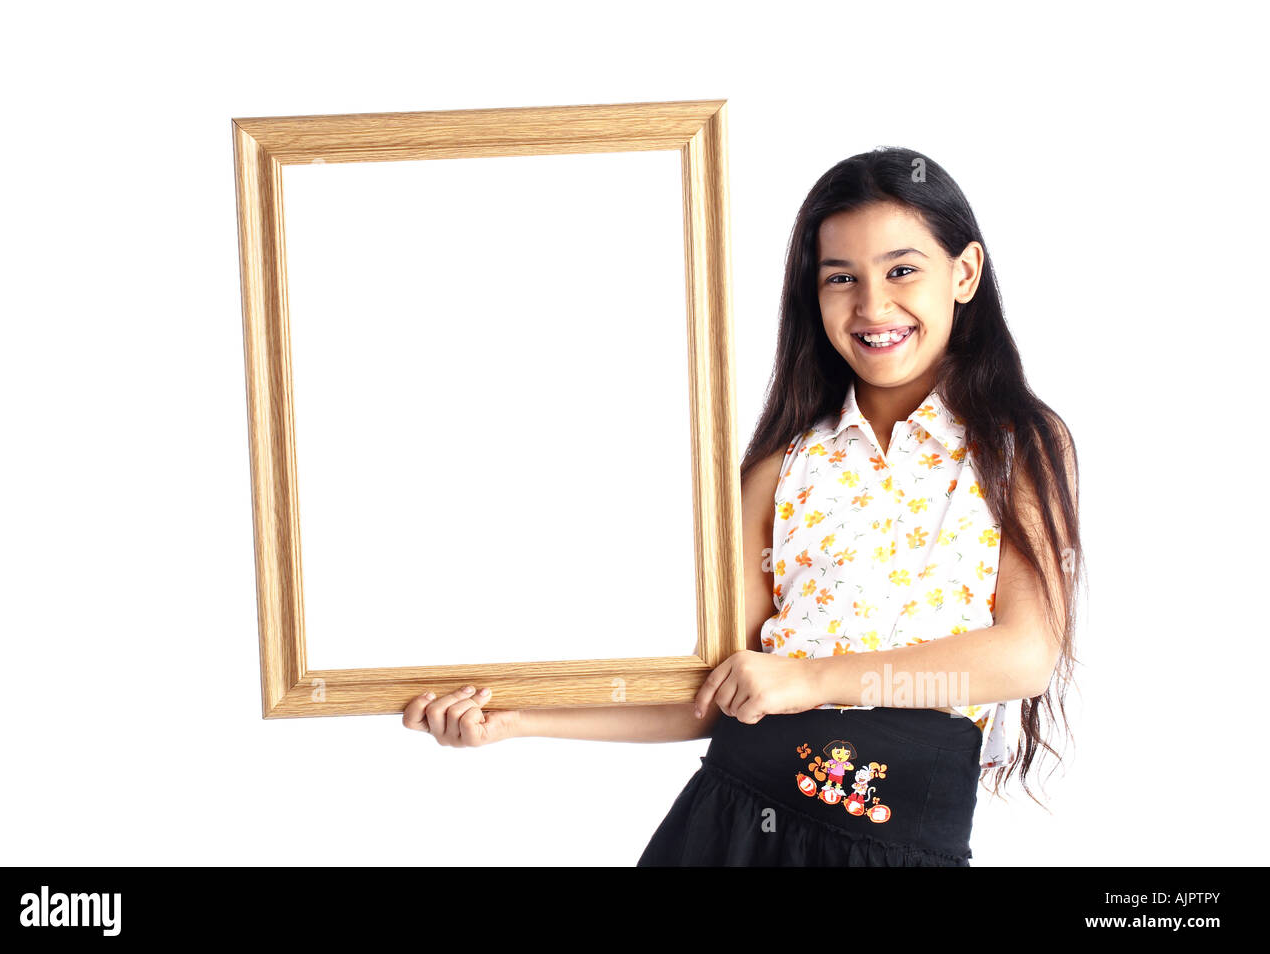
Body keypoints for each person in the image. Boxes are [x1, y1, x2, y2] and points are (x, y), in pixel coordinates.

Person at [400, 146, 1084, 867]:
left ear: (965, 272)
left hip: (897, 843)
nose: (873, 305)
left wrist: (810, 679)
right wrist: (514, 719)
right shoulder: (782, 468)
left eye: (902, 269)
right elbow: (713, 690)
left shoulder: (1020, 446)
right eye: (840, 278)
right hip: (727, 829)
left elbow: (1025, 657)